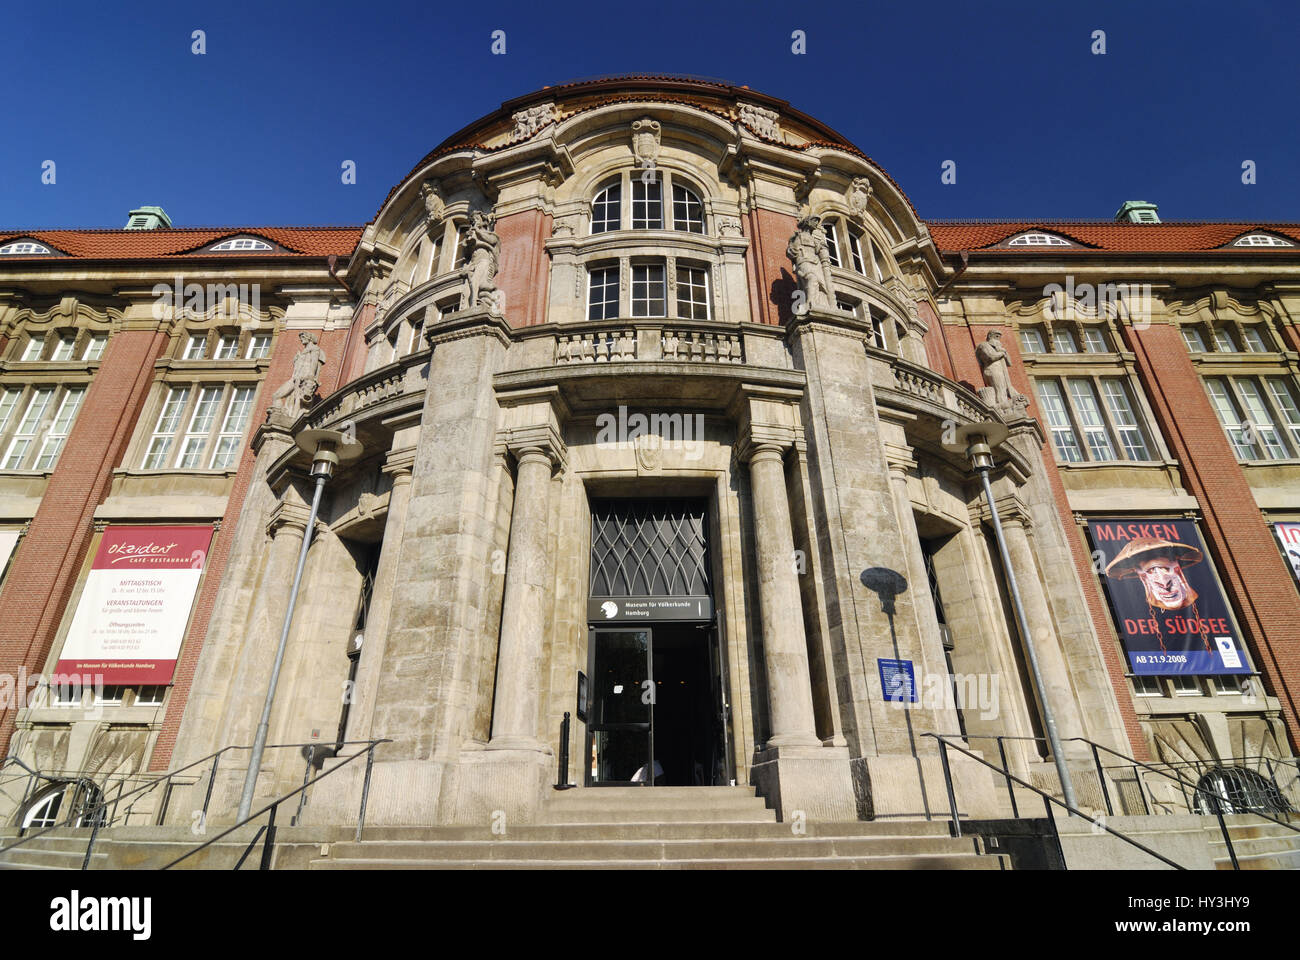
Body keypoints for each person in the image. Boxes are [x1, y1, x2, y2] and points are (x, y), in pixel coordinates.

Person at [1104, 536, 1209, 651]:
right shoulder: (1136, 612)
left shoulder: (1207, 604)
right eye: (1150, 571)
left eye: (1165, 569)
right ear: (1142, 577)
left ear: (1178, 569)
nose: (1164, 583)